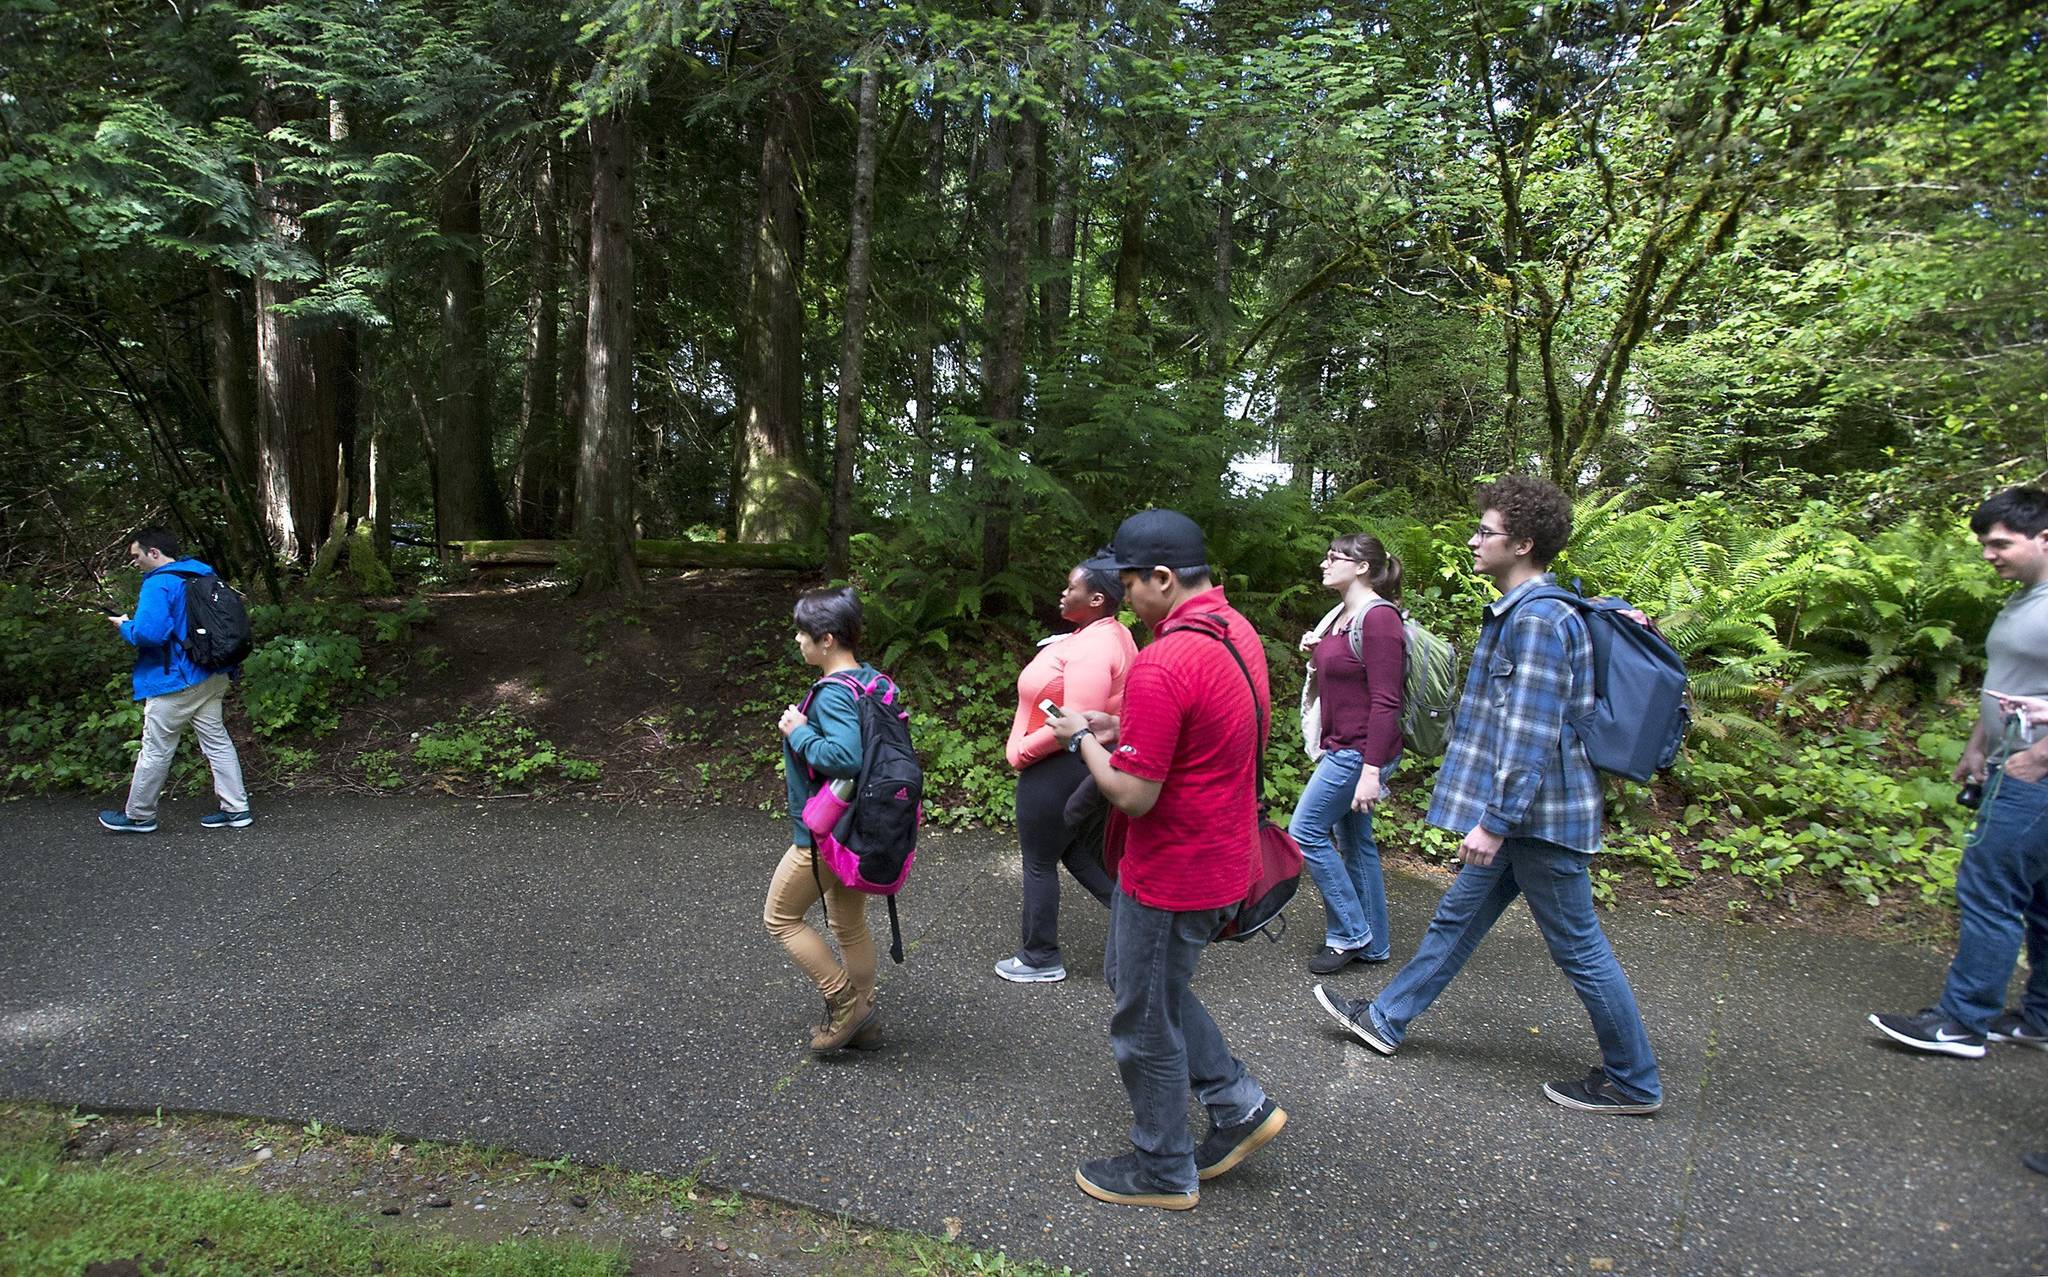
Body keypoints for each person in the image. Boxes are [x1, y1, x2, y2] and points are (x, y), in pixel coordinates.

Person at [1310, 475, 1664, 1116]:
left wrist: (1495, 821)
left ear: (1522, 543)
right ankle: (1387, 1018)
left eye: (1485, 532)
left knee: (1579, 946)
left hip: (1537, 819)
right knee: (1457, 917)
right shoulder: (1529, 612)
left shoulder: (1538, 620)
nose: (1474, 540)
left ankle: (1633, 1079)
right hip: (1525, 814)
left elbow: (1531, 736)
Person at [1045, 509, 1286, 1211]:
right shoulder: (1233, 632)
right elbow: (1210, 729)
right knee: (1142, 979)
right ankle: (1237, 1102)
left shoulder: (1164, 660)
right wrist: (1120, 725)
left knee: (1142, 1015)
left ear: (1163, 577)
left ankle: (1162, 1166)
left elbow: (1131, 793)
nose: (1123, 596)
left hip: (1174, 867)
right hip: (1223, 850)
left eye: (1129, 582)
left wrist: (1077, 739)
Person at [1869, 487, 2048, 1061]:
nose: (1988, 555)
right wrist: (1978, 745)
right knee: (2040, 900)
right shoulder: (2025, 597)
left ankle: (1963, 1022)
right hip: (2009, 762)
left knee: (1989, 890)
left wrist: (2038, 758)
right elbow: (2011, 683)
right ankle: (2039, 1018)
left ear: (2044, 538)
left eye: (2001, 543)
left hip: (2033, 776)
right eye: (1983, 544)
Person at [996, 563, 1137, 983]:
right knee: (1071, 850)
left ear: (1096, 600)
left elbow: (1076, 724)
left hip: (1060, 767)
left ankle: (1040, 956)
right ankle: (1145, 922)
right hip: (1074, 767)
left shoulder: (1096, 646)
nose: (1062, 593)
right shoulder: (1101, 634)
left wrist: (1021, 751)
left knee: (1039, 860)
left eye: (1071, 587)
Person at [767, 586, 886, 1054]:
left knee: (780, 918)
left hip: (828, 831)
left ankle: (845, 1006)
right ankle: (867, 1014)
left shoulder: (835, 694)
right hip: (863, 827)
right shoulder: (874, 681)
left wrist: (799, 733)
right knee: (849, 925)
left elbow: (846, 757)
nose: (798, 640)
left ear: (828, 639)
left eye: (804, 633)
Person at [1291, 533, 1406, 975]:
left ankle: (1351, 934)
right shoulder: (1341, 616)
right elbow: (1345, 671)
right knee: (1356, 843)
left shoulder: (1379, 620)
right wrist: (1317, 649)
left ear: (1361, 567)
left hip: (1359, 751)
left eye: (1334, 557)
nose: (1324, 563)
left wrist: (1372, 771)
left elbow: (1386, 701)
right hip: (1343, 745)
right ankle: (1373, 944)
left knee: (1305, 832)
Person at [97, 527, 250, 834]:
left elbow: (149, 634)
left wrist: (125, 626)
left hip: (176, 680)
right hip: (212, 672)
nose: (135, 563)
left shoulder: (159, 583)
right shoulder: (200, 574)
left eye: (136, 556)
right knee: (216, 742)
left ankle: (139, 816)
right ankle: (237, 810)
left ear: (153, 553)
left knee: (155, 748)